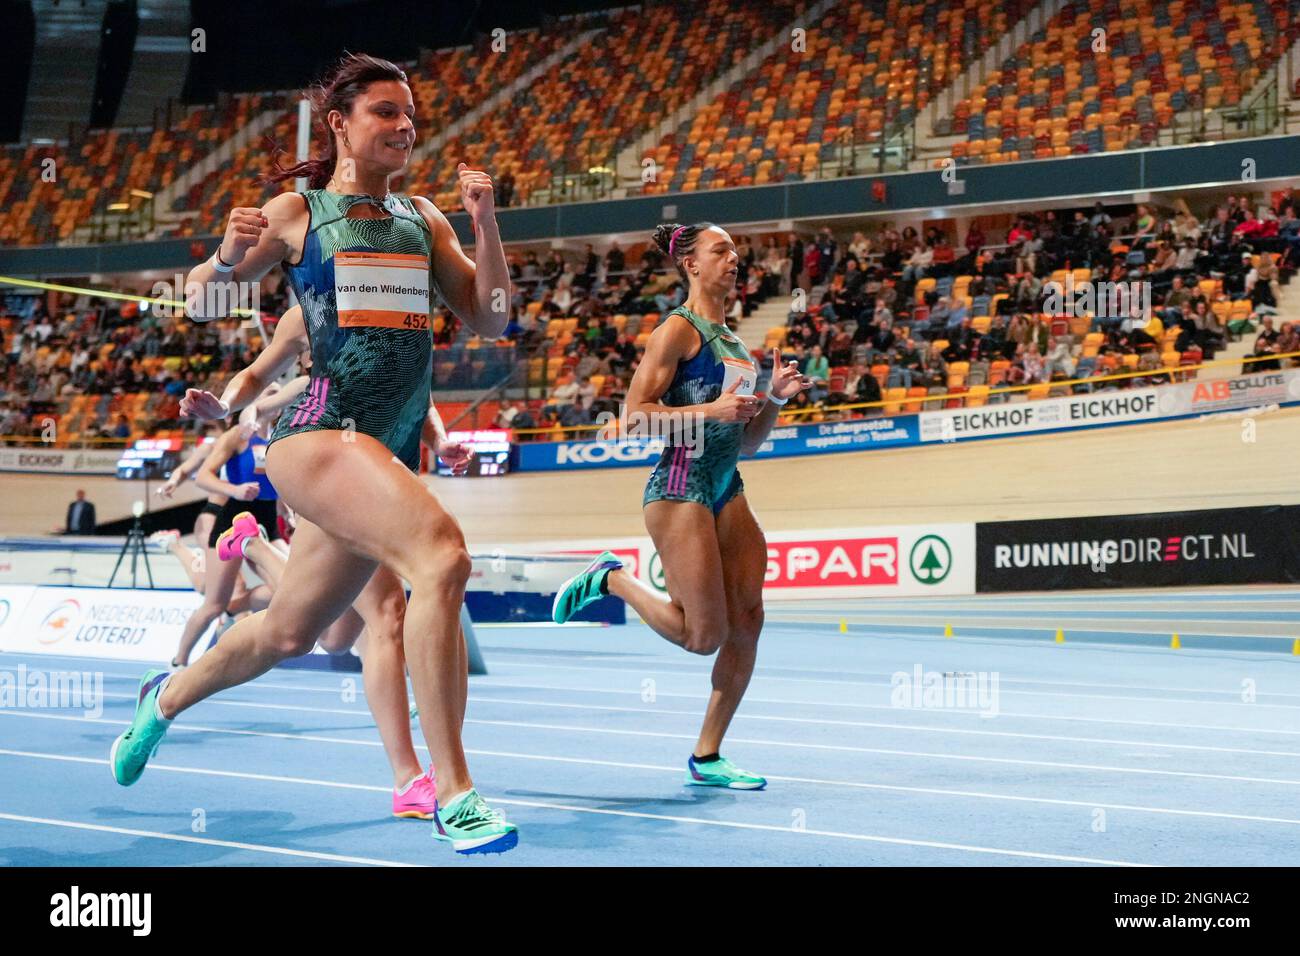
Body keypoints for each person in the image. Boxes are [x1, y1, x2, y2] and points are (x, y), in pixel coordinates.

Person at [109, 52, 515, 854]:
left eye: (411, 114)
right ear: (339, 124)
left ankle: (161, 702)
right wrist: (226, 257)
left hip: (382, 452)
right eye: (385, 113)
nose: (406, 126)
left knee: (285, 636)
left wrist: (483, 223)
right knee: (441, 558)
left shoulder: (424, 219)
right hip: (319, 435)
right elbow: (200, 299)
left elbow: (493, 318)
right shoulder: (298, 212)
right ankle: (454, 792)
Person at [551, 221, 811, 790]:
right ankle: (612, 579)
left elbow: (745, 441)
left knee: (749, 621)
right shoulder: (677, 331)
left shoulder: (738, 345)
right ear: (691, 264)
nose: (734, 259)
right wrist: (709, 413)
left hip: (727, 485)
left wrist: (771, 399)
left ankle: (708, 755)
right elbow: (635, 415)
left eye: (737, 252)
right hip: (679, 487)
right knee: (703, 637)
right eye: (722, 251)